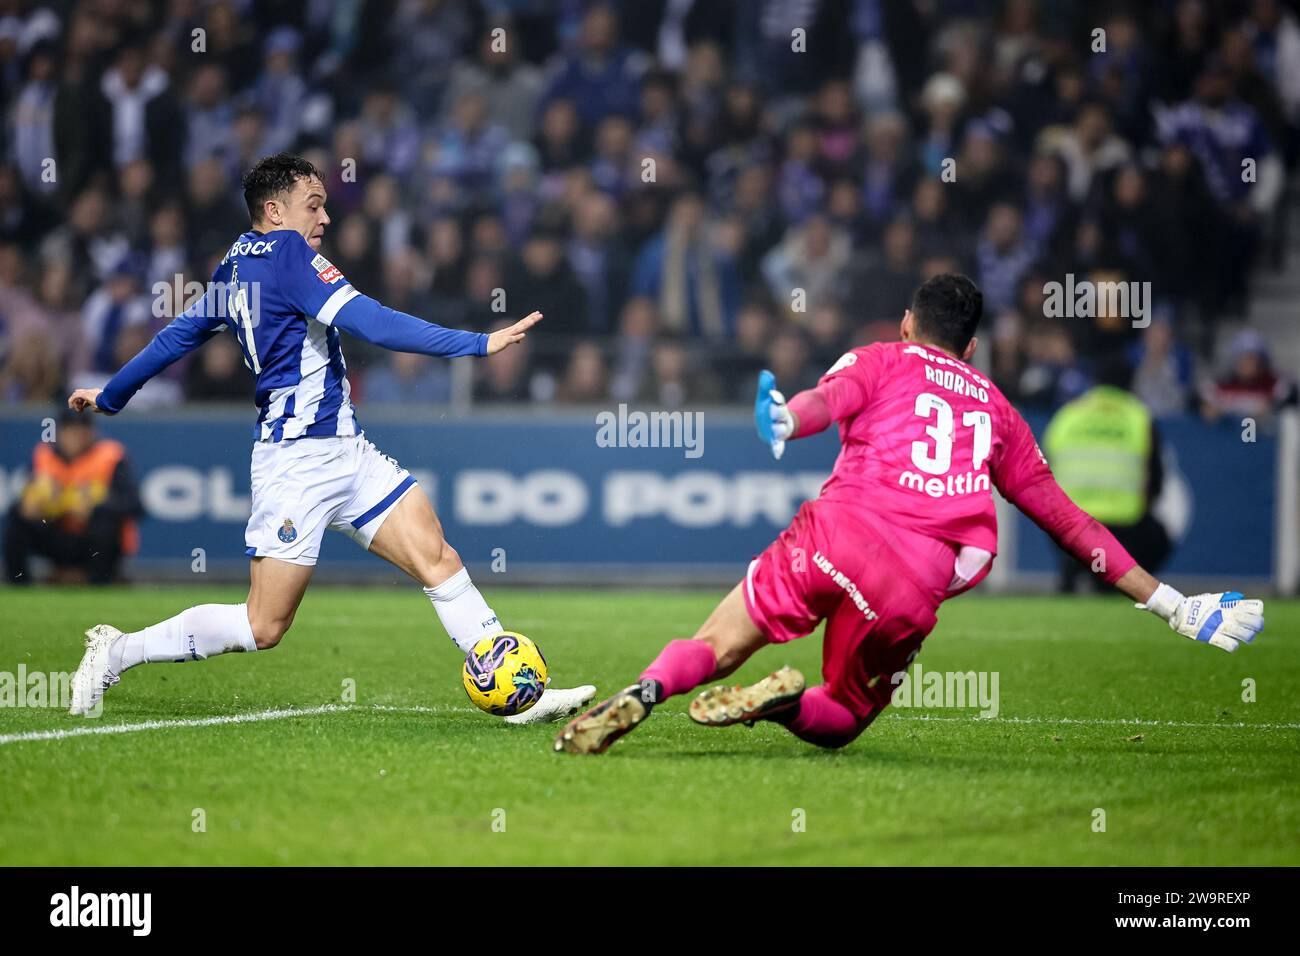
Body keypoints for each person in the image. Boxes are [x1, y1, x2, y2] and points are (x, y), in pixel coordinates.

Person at [555, 275, 1265, 755]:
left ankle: (651, 687)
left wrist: (784, 420)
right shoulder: (998, 410)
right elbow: (1071, 524)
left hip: (834, 534)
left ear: (906, 324)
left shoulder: (881, 359)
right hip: (910, 585)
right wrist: (1173, 605)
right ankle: (784, 706)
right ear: (973, 347)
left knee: (720, 639)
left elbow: (821, 403)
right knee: (845, 718)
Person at [64, 153, 594, 723]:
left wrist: (113, 393)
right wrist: (475, 345)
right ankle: (117, 650)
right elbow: (371, 320)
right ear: (274, 210)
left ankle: (518, 694)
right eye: (313, 206)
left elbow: (179, 335)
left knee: (437, 555)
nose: (325, 219)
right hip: (297, 462)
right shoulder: (289, 255)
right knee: (263, 625)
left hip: (348, 451)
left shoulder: (232, 265)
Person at [1044, 357, 1172, 592]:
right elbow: (1155, 478)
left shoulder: (1069, 415)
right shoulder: (1139, 417)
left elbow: (1044, 468)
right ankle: (1121, 583)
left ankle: (1074, 570)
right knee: (1160, 539)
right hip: (1123, 527)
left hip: (1070, 524)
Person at [4, 409, 141, 585]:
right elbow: (29, 499)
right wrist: (33, 505)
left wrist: (98, 506)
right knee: (18, 513)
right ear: (60, 432)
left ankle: (98, 582)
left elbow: (135, 505)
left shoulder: (111, 455)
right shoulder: (45, 455)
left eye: (82, 429)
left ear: (92, 431)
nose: (76, 435)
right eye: (70, 429)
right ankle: (18, 583)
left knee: (104, 523)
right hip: (57, 532)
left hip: (91, 539)